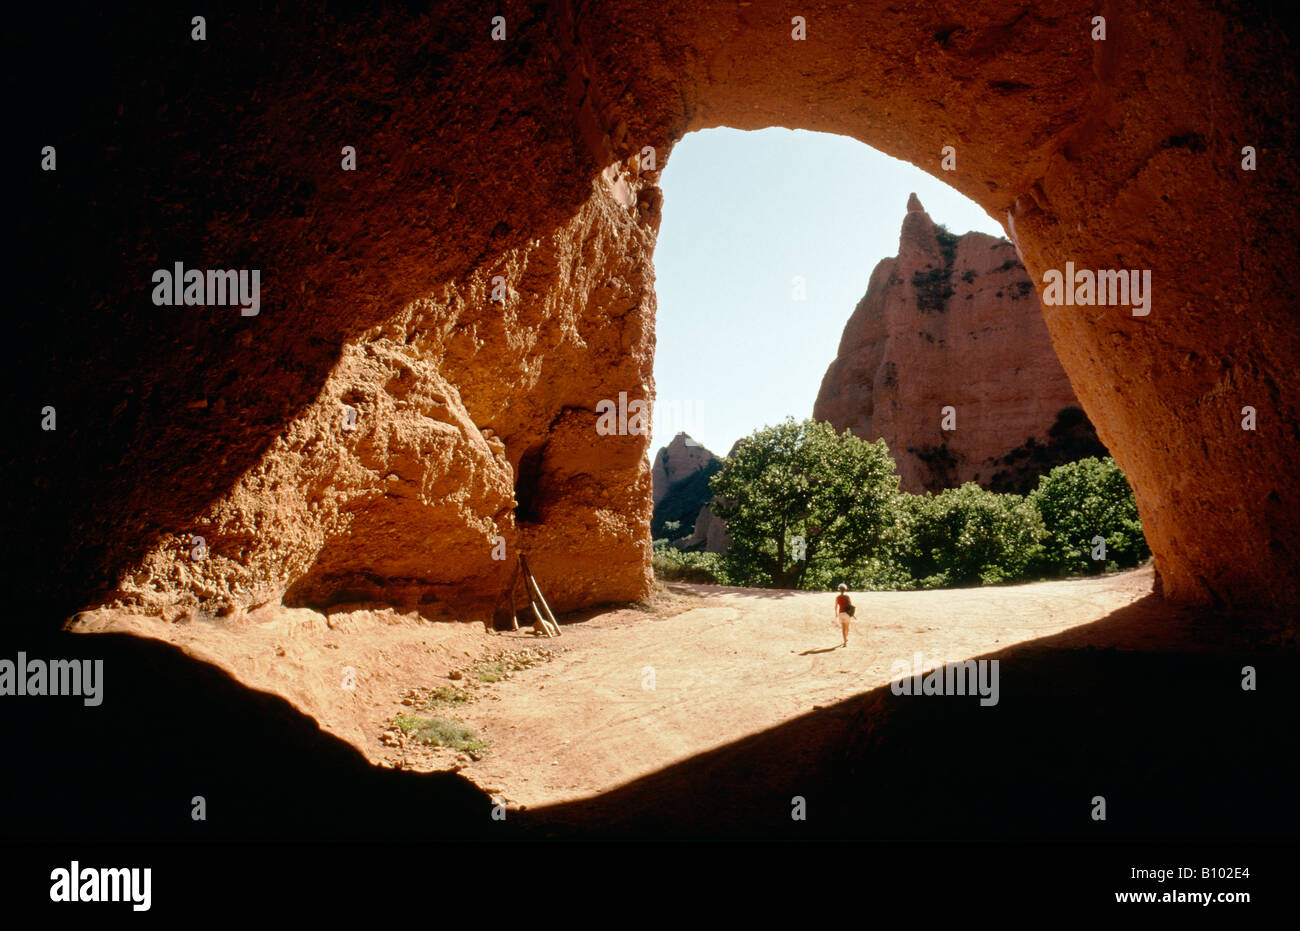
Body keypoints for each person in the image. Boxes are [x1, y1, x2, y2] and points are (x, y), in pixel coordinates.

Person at [833, 583, 854, 648]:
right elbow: (851, 605)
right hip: (847, 613)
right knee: (847, 628)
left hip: (841, 613)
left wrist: (836, 613)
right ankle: (845, 639)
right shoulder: (847, 597)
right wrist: (853, 614)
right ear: (845, 590)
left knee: (843, 628)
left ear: (839, 590)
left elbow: (836, 606)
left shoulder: (837, 597)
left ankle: (845, 641)